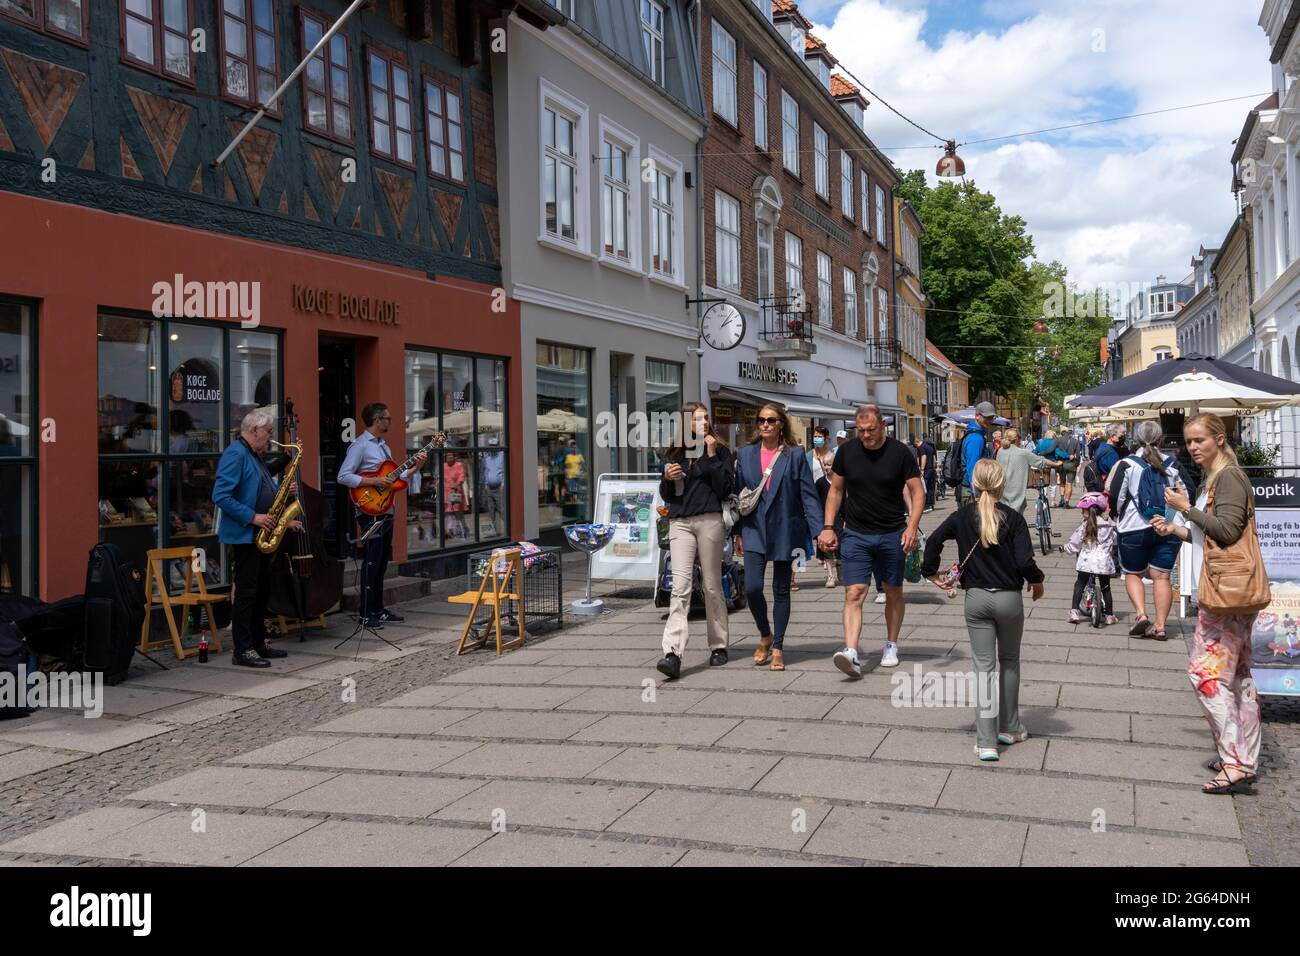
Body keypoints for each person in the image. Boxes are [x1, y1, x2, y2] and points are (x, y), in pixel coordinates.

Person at [1153, 413, 1262, 795]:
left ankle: (1235, 761)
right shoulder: (1218, 477)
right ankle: (1242, 755)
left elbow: (1228, 531)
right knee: (1238, 677)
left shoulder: (1229, 476)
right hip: (1227, 590)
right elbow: (1209, 537)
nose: (1192, 447)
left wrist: (1185, 507)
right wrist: (1176, 529)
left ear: (1219, 438)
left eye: (1200, 440)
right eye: (1188, 441)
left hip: (1226, 595)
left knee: (1205, 675)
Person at [921, 459, 1044, 761]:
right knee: (1011, 661)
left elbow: (934, 539)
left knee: (984, 669)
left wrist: (930, 571)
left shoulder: (962, 516)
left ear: (974, 485)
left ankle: (986, 741)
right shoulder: (1014, 519)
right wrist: (1036, 581)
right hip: (1009, 599)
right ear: (1003, 485)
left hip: (976, 599)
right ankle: (1010, 727)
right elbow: (1025, 561)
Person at [820, 404, 925, 674]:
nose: (865, 435)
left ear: (882, 426)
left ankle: (891, 644)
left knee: (892, 591)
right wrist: (828, 526)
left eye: (871, 430)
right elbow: (836, 491)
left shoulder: (900, 453)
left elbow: (917, 492)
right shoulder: (847, 452)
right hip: (856, 533)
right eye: (861, 430)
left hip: (892, 533)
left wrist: (912, 527)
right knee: (854, 592)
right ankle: (851, 651)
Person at [735, 404, 824, 672]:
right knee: (751, 587)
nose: (765, 424)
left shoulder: (795, 455)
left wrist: (820, 530)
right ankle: (765, 633)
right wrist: (737, 531)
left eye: (771, 420)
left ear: (781, 424)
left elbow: (808, 494)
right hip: (753, 529)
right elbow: (739, 496)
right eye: (761, 420)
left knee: (781, 590)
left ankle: (778, 647)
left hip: (786, 528)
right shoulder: (745, 453)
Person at [656, 402, 734, 679]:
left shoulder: (721, 450)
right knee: (680, 587)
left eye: (705, 418)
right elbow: (668, 495)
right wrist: (667, 478)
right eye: (696, 419)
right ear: (686, 424)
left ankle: (719, 644)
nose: (702, 422)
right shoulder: (675, 452)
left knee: (712, 585)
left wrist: (712, 456)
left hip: (710, 520)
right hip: (680, 522)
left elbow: (725, 488)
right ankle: (672, 653)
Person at [212, 408, 296, 667]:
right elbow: (221, 496)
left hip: (260, 534)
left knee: (262, 591)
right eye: (269, 432)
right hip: (245, 534)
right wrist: (254, 517)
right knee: (247, 593)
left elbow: (258, 482)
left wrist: (282, 487)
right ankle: (243, 649)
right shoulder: (235, 454)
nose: (271, 437)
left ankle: (258, 643)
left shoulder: (253, 455)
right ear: (254, 430)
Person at [337, 402, 428, 627]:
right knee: (371, 561)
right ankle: (365, 613)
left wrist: (416, 467)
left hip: (386, 509)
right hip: (369, 511)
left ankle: (378, 608)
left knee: (382, 563)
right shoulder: (359, 446)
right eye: (387, 418)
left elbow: (396, 477)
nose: (390, 421)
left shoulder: (383, 446)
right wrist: (374, 481)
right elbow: (343, 476)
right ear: (378, 420)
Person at [1107, 420, 1187, 641]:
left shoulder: (1127, 464)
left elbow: (1116, 496)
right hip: (1168, 526)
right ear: (1161, 439)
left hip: (1133, 526)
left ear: (1136, 440)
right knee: (1162, 577)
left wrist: (1116, 514)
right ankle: (1161, 626)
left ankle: (1141, 615)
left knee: (1133, 573)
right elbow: (1187, 494)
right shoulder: (1173, 464)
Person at [1065, 492, 1118, 625]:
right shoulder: (1108, 525)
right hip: (1104, 563)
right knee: (1106, 587)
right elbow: (1115, 540)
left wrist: (1067, 548)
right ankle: (1110, 615)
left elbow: (1075, 543)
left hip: (1086, 563)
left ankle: (1074, 611)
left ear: (1087, 511)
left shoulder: (1084, 526)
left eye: (1083, 510)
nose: (1082, 513)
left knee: (1080, 584)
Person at [995, 427, 1057, 515]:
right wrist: (1057, 464)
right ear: (1017, 439)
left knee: (1003, 513)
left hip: (1002, 488)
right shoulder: (1023, 453)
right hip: (1016, 489)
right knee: (1016, 514)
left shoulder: (1001, 451)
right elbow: (1041, 462)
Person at [809, 426, 840, 588]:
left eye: (819, 436)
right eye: (815, 436)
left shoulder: (833, 454)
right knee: (825, 542)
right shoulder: (808, 456)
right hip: (818, 499)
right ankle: (829, 572)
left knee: (839, 544)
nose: (817, 439)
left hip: (837, 506)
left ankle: (837, 564)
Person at [960, 402, 998, 501]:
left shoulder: (975, 434)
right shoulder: (976, 438)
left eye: (991, 417)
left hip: (970, 489)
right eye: (987, 417)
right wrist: (977, 494)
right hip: (971, 491)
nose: (990, 420)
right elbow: (972, 468)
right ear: (977, 415)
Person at [480, 437, 505, 535]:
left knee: (501, 509)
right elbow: (486, 472)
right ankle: (494, 531)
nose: (492, 448)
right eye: (491, 446)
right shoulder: (487, 458)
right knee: (491, 510)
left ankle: (506, 529)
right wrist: (486, 484)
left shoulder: (502, 456)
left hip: (499, 487)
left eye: (494, 446)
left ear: (497, 446)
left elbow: (504, 470)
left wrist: (503, 484)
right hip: (489, 488)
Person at [443, 450, 469, 541]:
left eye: (451, 456)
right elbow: (440, 477)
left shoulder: (459, 465)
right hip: (446, 492)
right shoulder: (444, 466)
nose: (449, 458)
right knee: (448, 513)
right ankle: (450, 532)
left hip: (456, 491)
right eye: (447, 456)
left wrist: (457, 484)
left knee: (458, 512)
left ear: (454, 457)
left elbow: (462, 476)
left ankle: (464, 529)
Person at [1054, 429, 1081, 508]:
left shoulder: (1058, 440)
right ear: (1070, 434)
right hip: (1071, 464)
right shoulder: (1075, 441)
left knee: (1062, 482)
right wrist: (1076, 464)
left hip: (1061, 463)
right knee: (1069, 483)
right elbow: (1078, 455)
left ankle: (1062, 499)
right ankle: (1066, 502)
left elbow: (1055, 451)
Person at [913, 434, 937, 512]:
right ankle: (930, 505)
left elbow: (924, 457)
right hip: (931, 469)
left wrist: (922, 469)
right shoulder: (929, 446)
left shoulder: (922, 447)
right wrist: (934, 467)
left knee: (923, 488)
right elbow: (934, 458)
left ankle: (925, 506)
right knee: (930, 487)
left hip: (926, 469)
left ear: (916, 442)